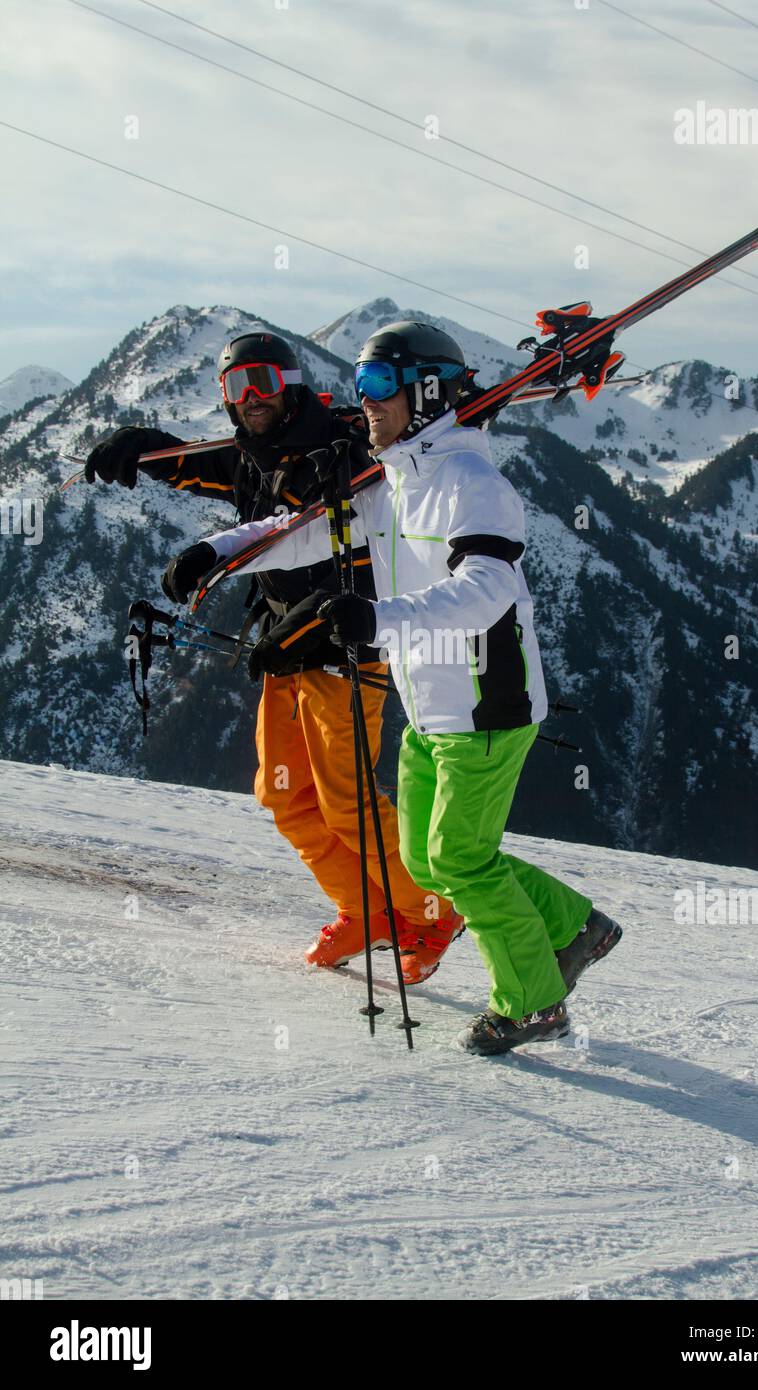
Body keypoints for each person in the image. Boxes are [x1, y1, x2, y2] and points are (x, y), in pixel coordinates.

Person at [172, 320, 622, 1055]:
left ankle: (535, 1003)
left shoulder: (472, 486)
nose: (364, 400)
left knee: (459, 861)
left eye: (380, 384)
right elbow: (309, 530)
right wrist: (217, 554)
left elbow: (486, 590)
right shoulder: (395, 482)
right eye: (359, 383)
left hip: (486, 704)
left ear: (428, 391)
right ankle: (576, 925)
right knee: (419, 857)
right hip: (432, 706)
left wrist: (376, 620)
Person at [85, 331, 460, 984]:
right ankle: (365, 909)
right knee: (285, 799)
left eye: (263, 381)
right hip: (283, 643)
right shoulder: (247, 455)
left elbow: (377, 449)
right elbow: (195, 468)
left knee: (347, 803)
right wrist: (142, 447)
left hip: (348, 645)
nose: (252, 398)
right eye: (237, 387)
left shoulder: (341, 437)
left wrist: (342, 453)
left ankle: (433, 912)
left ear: (291, 384)